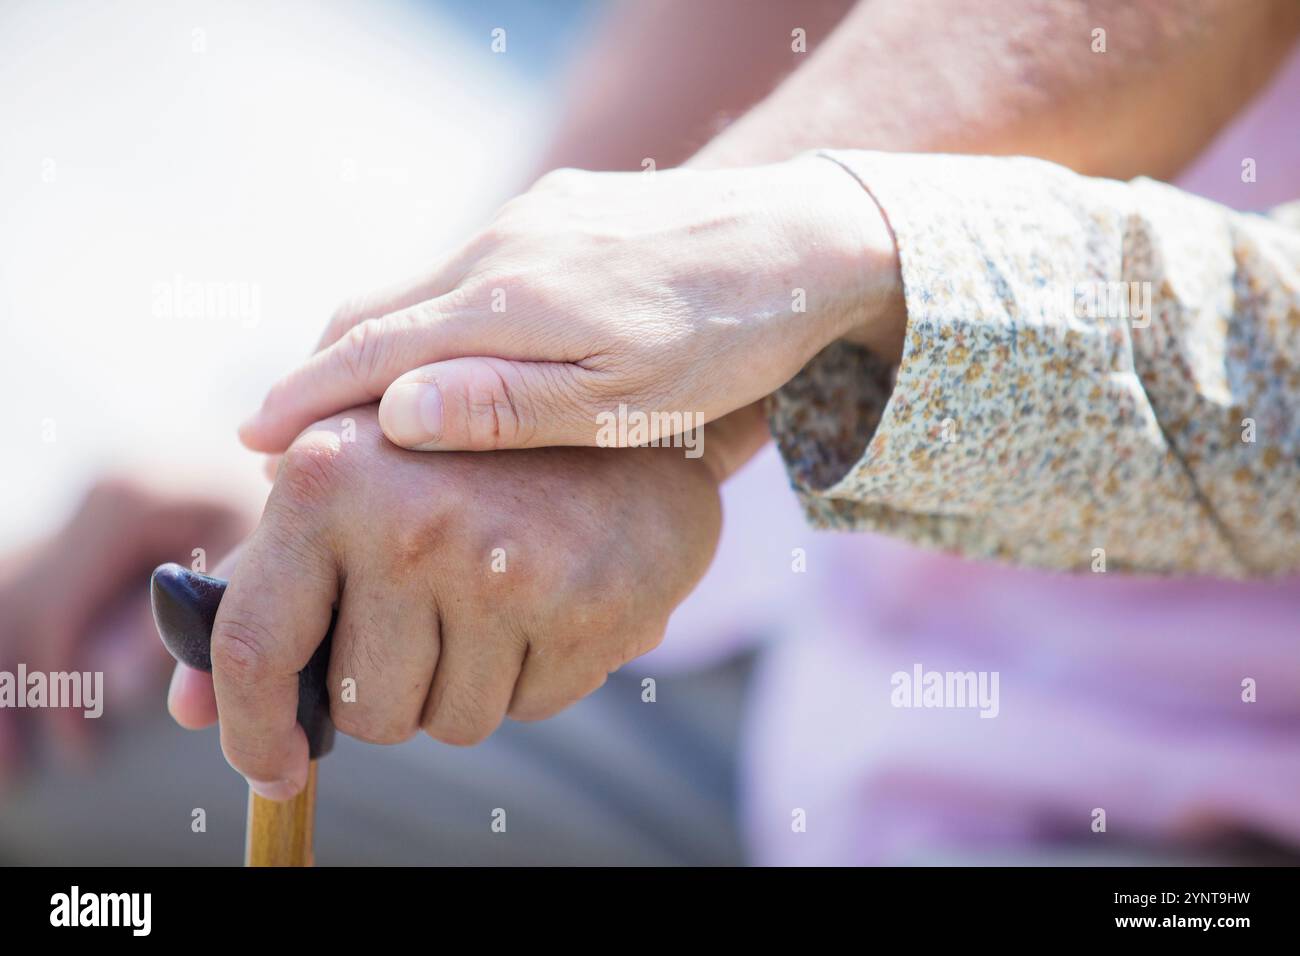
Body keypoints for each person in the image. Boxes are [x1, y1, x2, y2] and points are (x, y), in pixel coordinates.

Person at [4, 0, 1298, 864]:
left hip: (1205, 806)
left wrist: (788, 286)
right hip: (798, 642)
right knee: (58, 755)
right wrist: (407, 410)